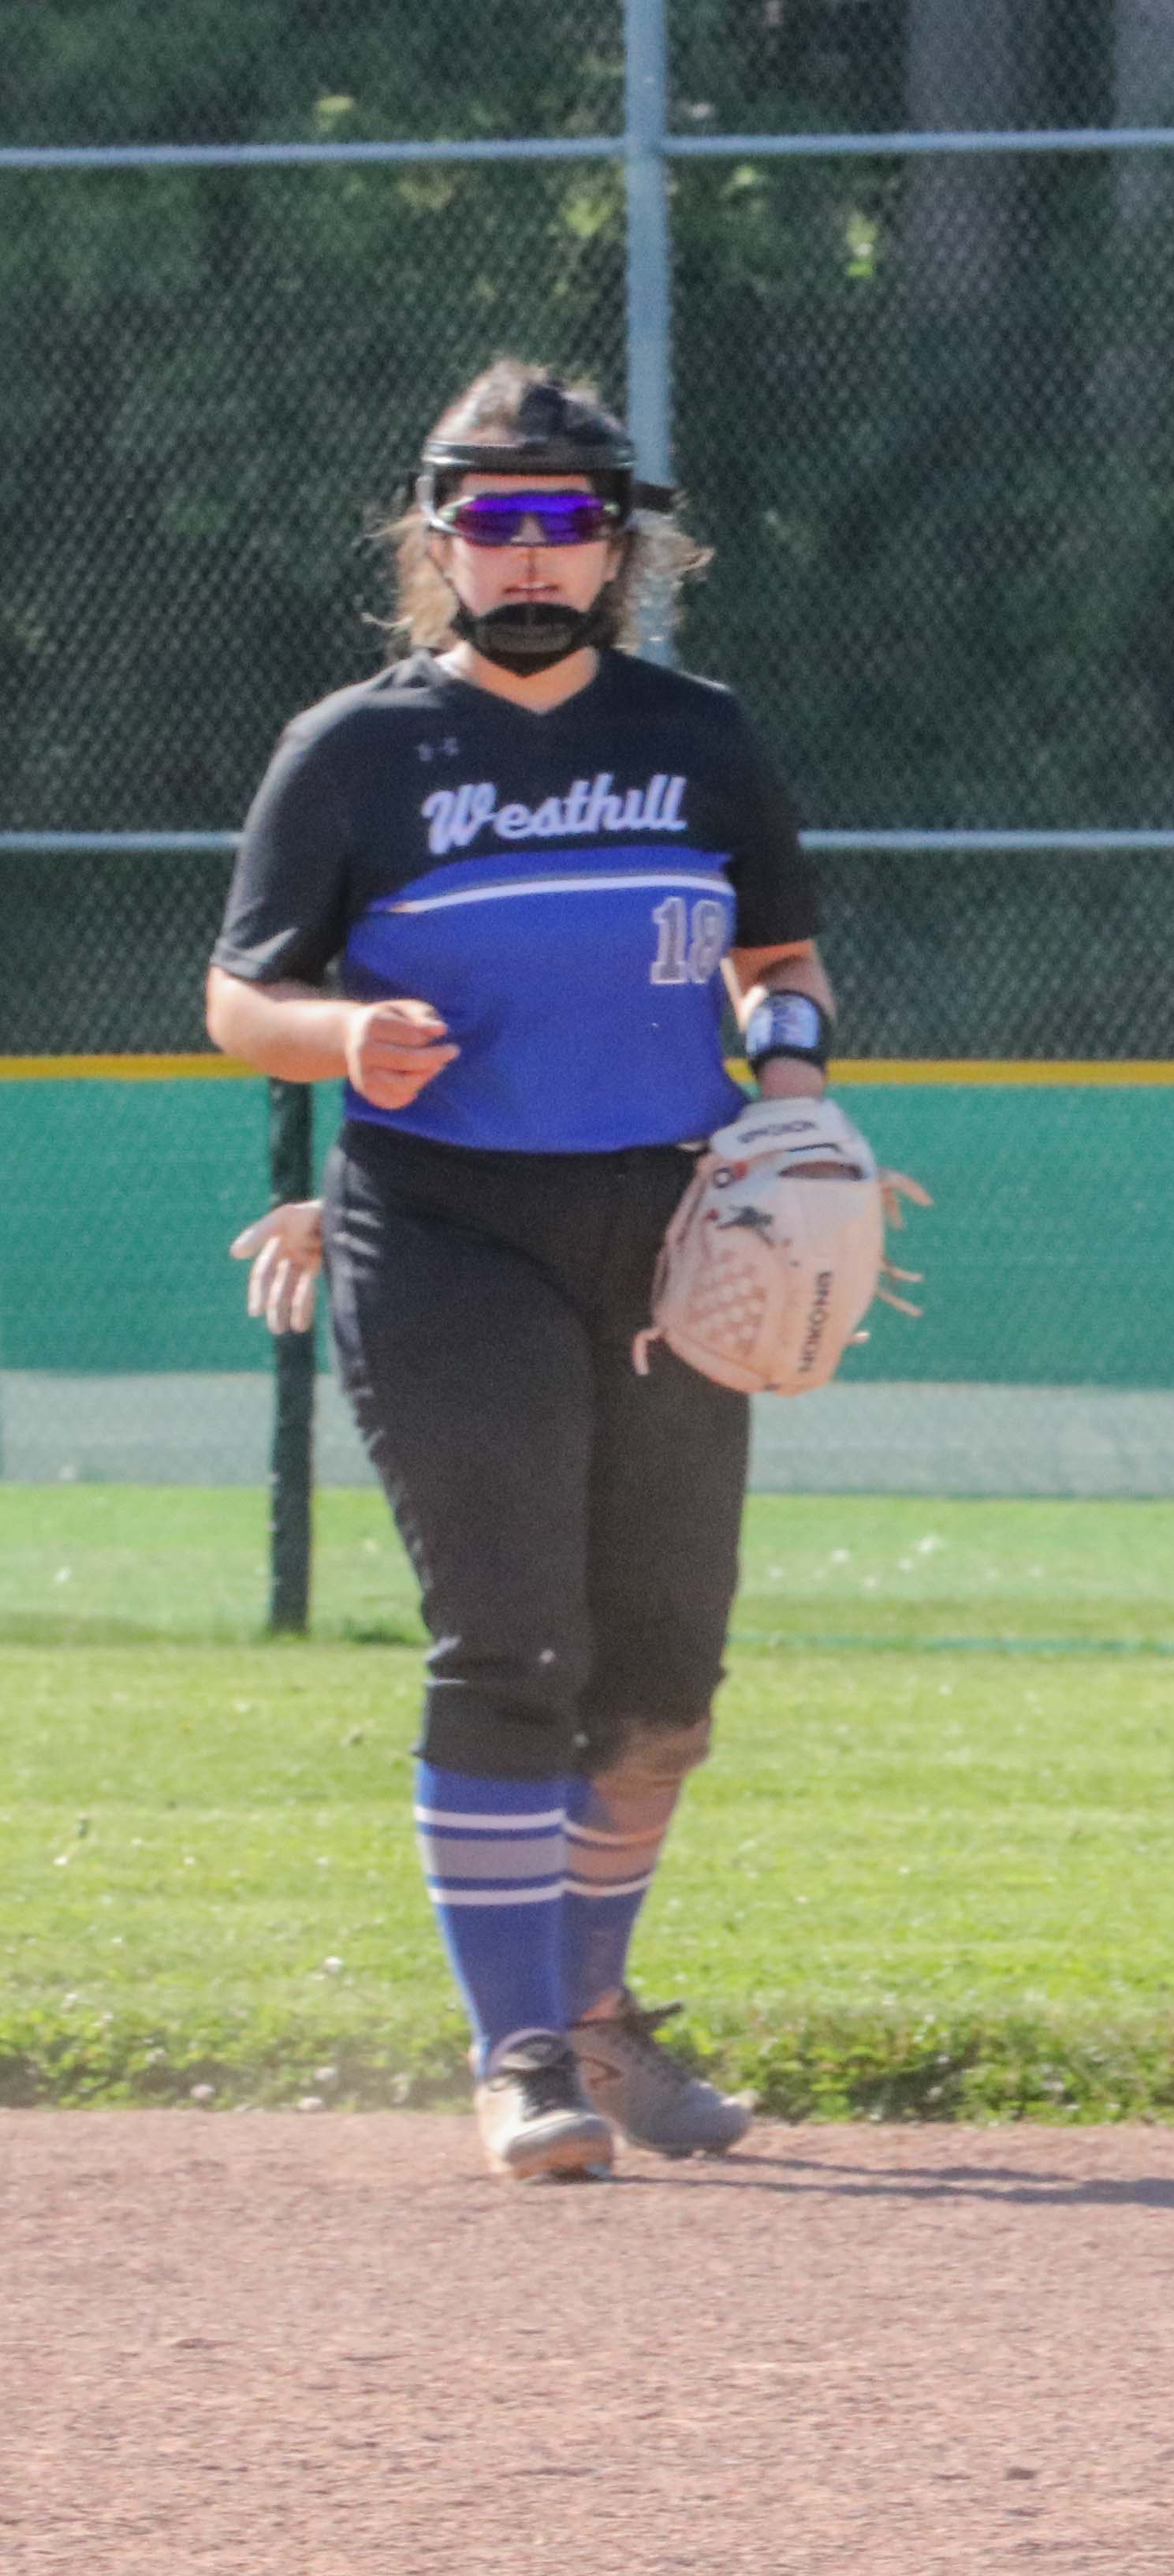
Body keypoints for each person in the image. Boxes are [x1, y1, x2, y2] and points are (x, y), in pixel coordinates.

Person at [208, 359, 844, 2182]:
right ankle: (519, 2056)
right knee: (512, 1641)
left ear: (624, 545)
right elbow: (240, 997)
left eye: (569, 518)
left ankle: (595, 2012)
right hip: (449, 1228)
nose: (532, 550)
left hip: (669, 1239)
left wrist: (789, 1076)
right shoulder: (357, 748)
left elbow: (779, 959)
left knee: (659, 1682)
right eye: (493, 518)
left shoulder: (699, 734)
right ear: (437, 541)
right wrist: (338, 1041)